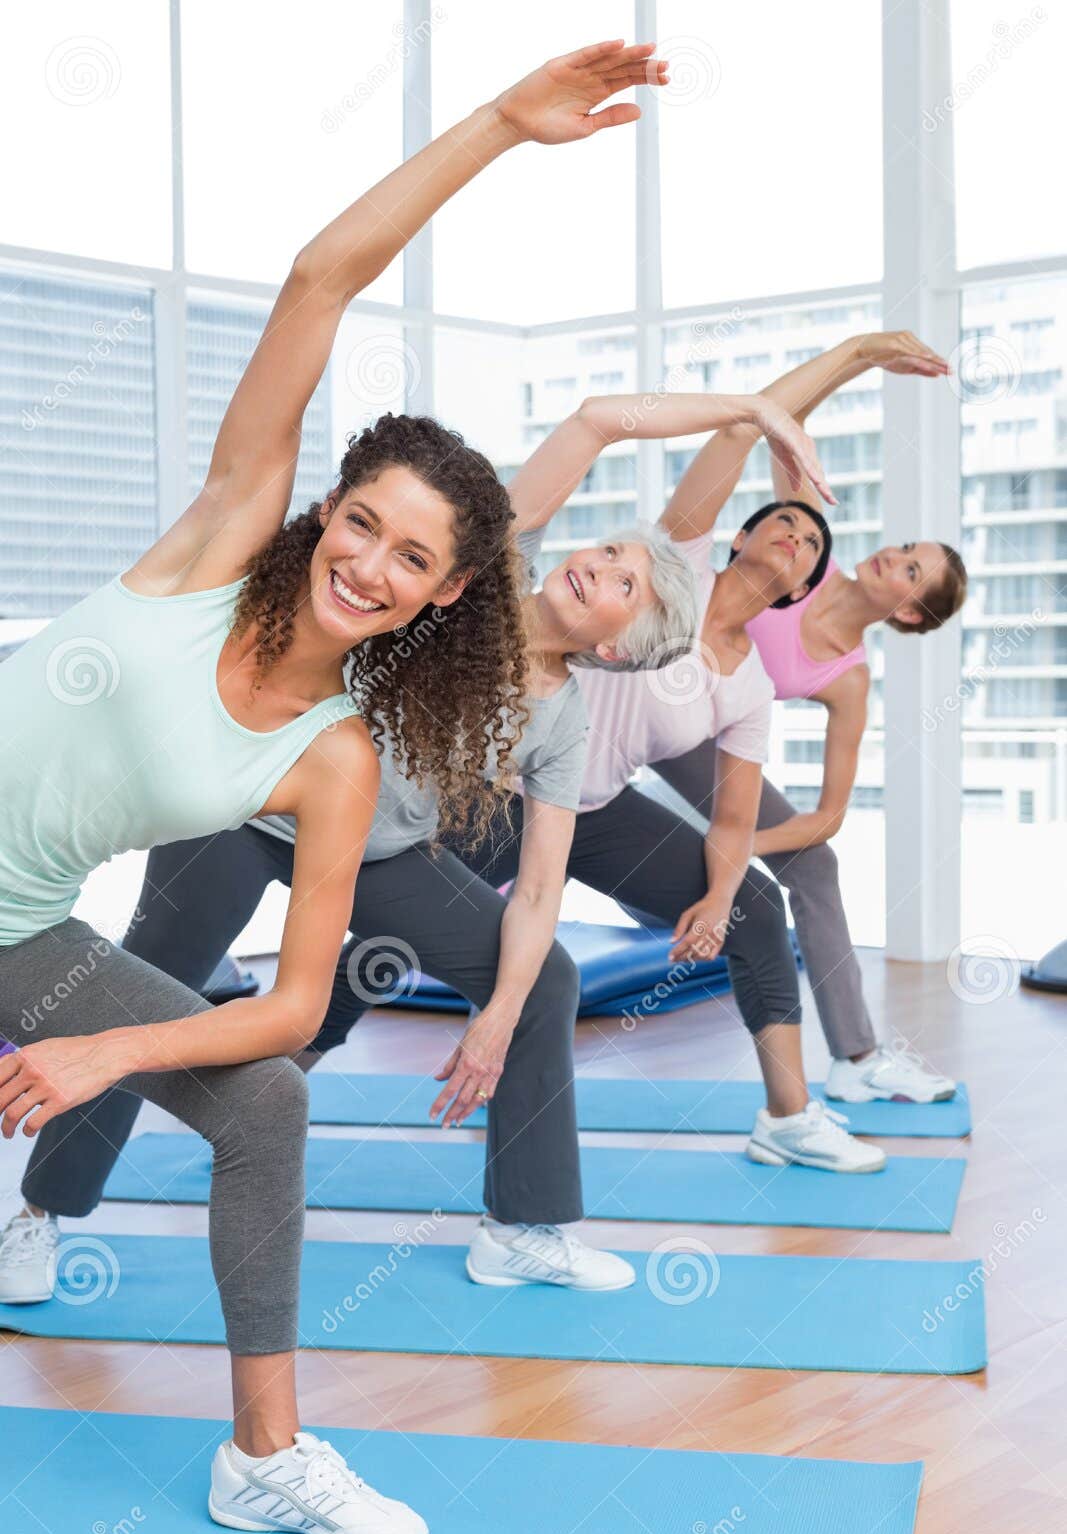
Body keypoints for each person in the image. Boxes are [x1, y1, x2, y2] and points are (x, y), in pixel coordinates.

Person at [0, 38, 670, 1534]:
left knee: (270, 1100)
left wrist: (116, 1041)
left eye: (409, 558)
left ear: (440, 598)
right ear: (324, 507)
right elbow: (318, 280)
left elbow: (296, 1006)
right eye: (359, 520)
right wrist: (501, 122)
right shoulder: (225, 541)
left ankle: (266, 1451)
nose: (365, 560)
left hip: (17, 929)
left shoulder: (336, 759)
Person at [3, 385, 828, 1298]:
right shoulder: (464, 585)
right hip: (242, 808)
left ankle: (521, 1227)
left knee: (542, 978)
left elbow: (543, 891)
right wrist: (756, 407)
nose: (598, 566)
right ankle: (39, 1215)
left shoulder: (562, 730)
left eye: (625, 582)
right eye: (605, 550)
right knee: (153, 988)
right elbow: (596, 420)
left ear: (620, 650)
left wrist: (496, 1021)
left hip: (378, 851)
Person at [299, 394, 887, 1174]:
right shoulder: (671, 563)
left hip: (596, 808)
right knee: (380, 949)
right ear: (740, 535)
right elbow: (724, 436)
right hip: (494, 799)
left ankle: (788, 1115)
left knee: (753, 902)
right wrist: (772, 408)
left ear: (807, 582)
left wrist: (716, 900)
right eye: (782, 521)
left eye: (811, 541)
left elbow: (733, 819)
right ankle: (270, 1080)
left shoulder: (747, 689)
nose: (793, 536)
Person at [650, 331, 968, 1104]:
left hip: (699, 733)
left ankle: (854, 1058)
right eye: (902, 547)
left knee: (814, 867)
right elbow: (775, 422)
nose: (892, 556)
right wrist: (860, 354)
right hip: (639, 680)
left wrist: (737, 844)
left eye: (910, 568)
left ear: (910, 613)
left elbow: (827, 817)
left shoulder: (845, 680)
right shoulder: (801, 551)